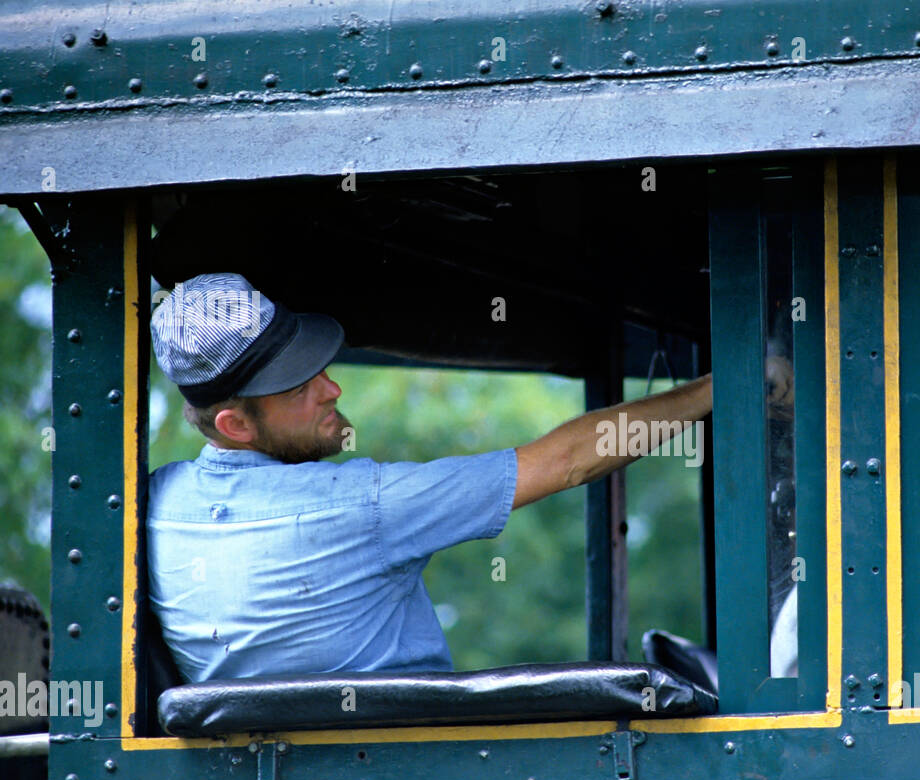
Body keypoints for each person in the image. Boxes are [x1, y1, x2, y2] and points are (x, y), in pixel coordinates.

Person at [146, 272, 712, 683]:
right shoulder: (364, 505)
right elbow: (568, 460)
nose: (332, 389)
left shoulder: (148, 505)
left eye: (318, 368)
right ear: (236, 424)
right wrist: (720, 387)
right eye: (299, 387)